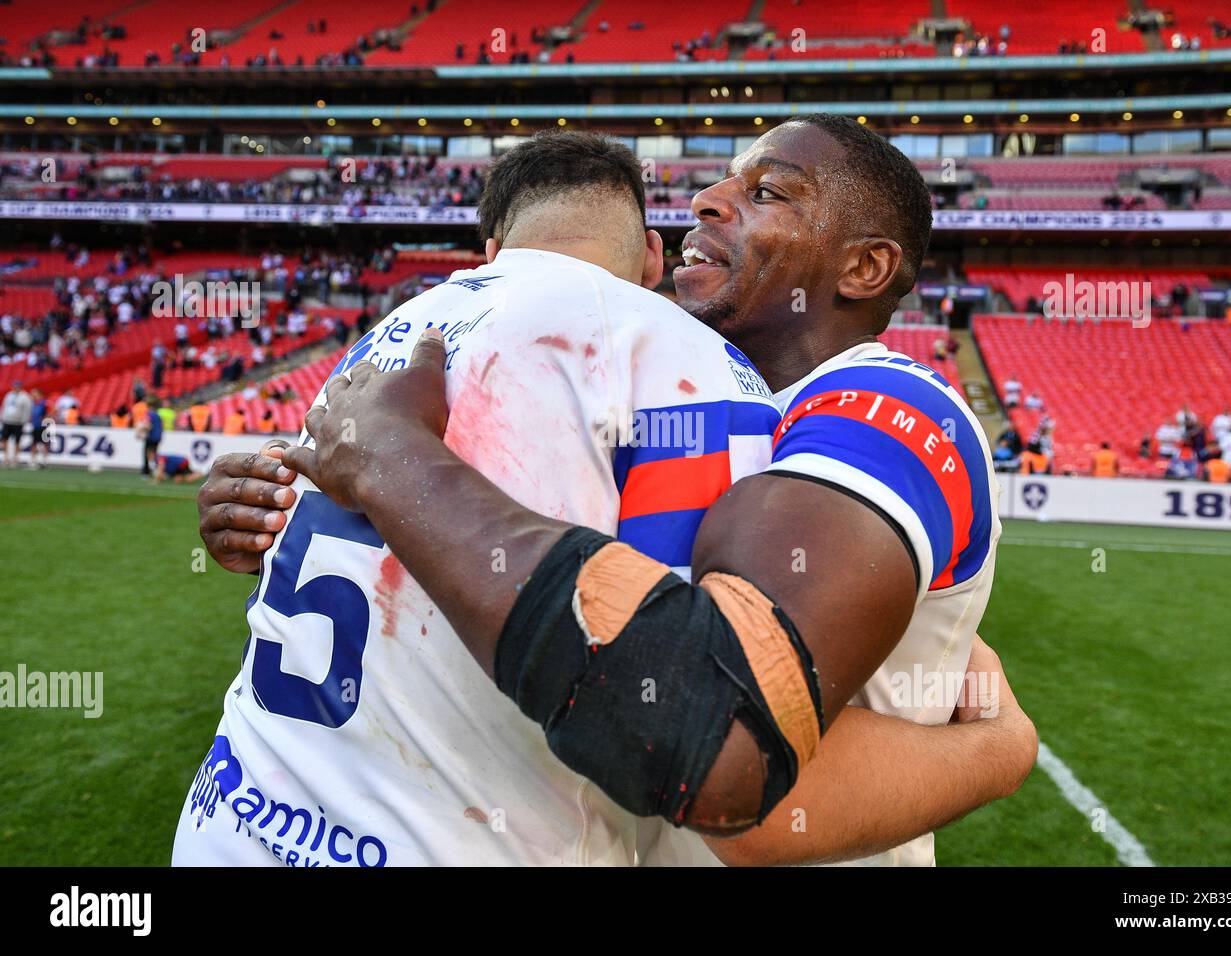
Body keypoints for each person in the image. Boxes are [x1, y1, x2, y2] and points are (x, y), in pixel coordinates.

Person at [188, 124, 1033, 868]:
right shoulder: (689, 404)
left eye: (766, 191)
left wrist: (1002, 751)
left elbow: (735, 777)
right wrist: (291, 506)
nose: (705, 199)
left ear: (865, 266)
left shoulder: (889, 402)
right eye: (723, 180)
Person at [1, 380, 32, 467]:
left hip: (18, 422)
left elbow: (27, 410)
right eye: (15, 386)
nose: (16, 388)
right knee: (4, 439)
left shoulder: (25, 397)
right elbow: (4, 406)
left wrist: (24, 421)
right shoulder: (9, 395)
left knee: (17, 441)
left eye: (18, 386)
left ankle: (15, 459)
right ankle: (6, 458)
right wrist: (2, 417)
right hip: (7, 420)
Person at [139, 397, 163, 476]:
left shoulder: (148, 414)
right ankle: (157, 471)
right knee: (155, 454)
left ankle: (146, 472)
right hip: (158, 437)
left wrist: (141, 430)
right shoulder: (158, 414)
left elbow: (148, 425)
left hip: (150, 437)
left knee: (146, 454)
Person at [28, 388, 50, 469]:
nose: (32, 395)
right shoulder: (33, 403)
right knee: (34, 443)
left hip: (43, 426)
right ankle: (33, 460)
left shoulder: (44, 403)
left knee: (45, 443)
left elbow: (53, 410)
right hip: (35, 426)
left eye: (34, 393)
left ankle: (45, 461)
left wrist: (46, 418)